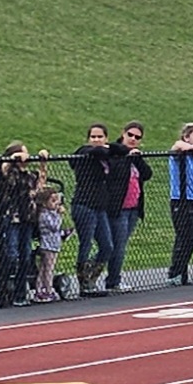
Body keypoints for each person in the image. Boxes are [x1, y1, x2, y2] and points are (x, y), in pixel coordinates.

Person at [0, 142, 47, 307]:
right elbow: (3, 168)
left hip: (27, 219)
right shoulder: (9, 173)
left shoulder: (30, 175)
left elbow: (40, 184)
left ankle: (20, 294)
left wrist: (43, 162)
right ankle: (2, 288)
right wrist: (14, 158)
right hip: (12, 218)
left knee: (25, 255)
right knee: (11, 254)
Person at [105, 121, 152, 292]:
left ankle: (111, 278)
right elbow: (115, 171)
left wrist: (136, 159)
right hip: (119, 208)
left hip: (133, 207)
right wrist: (127, 155)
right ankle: (112, 281)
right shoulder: (114, 152)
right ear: (123, 133)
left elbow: (147, 174)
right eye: (130, 135)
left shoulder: (135, 155)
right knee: (116, 246)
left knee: (120, 245)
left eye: (137, 137)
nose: (133, 139)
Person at [70, 123, 116, 295]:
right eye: (93, 137)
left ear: (106, 138)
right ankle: (83, 283)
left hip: (100, 207)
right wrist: (108, 149)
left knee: (107, 245)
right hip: (84, 205)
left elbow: (119, 151)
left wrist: (112, 149)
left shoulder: (107, 157)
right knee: (86, 243)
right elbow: (97, 152)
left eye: (100, 137)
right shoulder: (84, 152)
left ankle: (91, 277)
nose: (96, 140)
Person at [168, 123, 193, 285]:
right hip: (180, 199)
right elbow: (177, 145)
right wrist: (190, 148)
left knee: (189, 237)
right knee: (187, 237)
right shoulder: (180, 152)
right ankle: (174, 272)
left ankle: (181, 274)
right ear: (187, 137)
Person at [33, 185, 72, 302]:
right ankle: (47, 290)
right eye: (53, 201)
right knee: (48, 269)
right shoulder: (44, 215)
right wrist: (59, 214)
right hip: (48, 245)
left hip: (54, 244)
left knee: (44, 268)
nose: (56, 204)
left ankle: (40, 290)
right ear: (44, 203)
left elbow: (57, 231)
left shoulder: (50, 213)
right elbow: (54, 227)